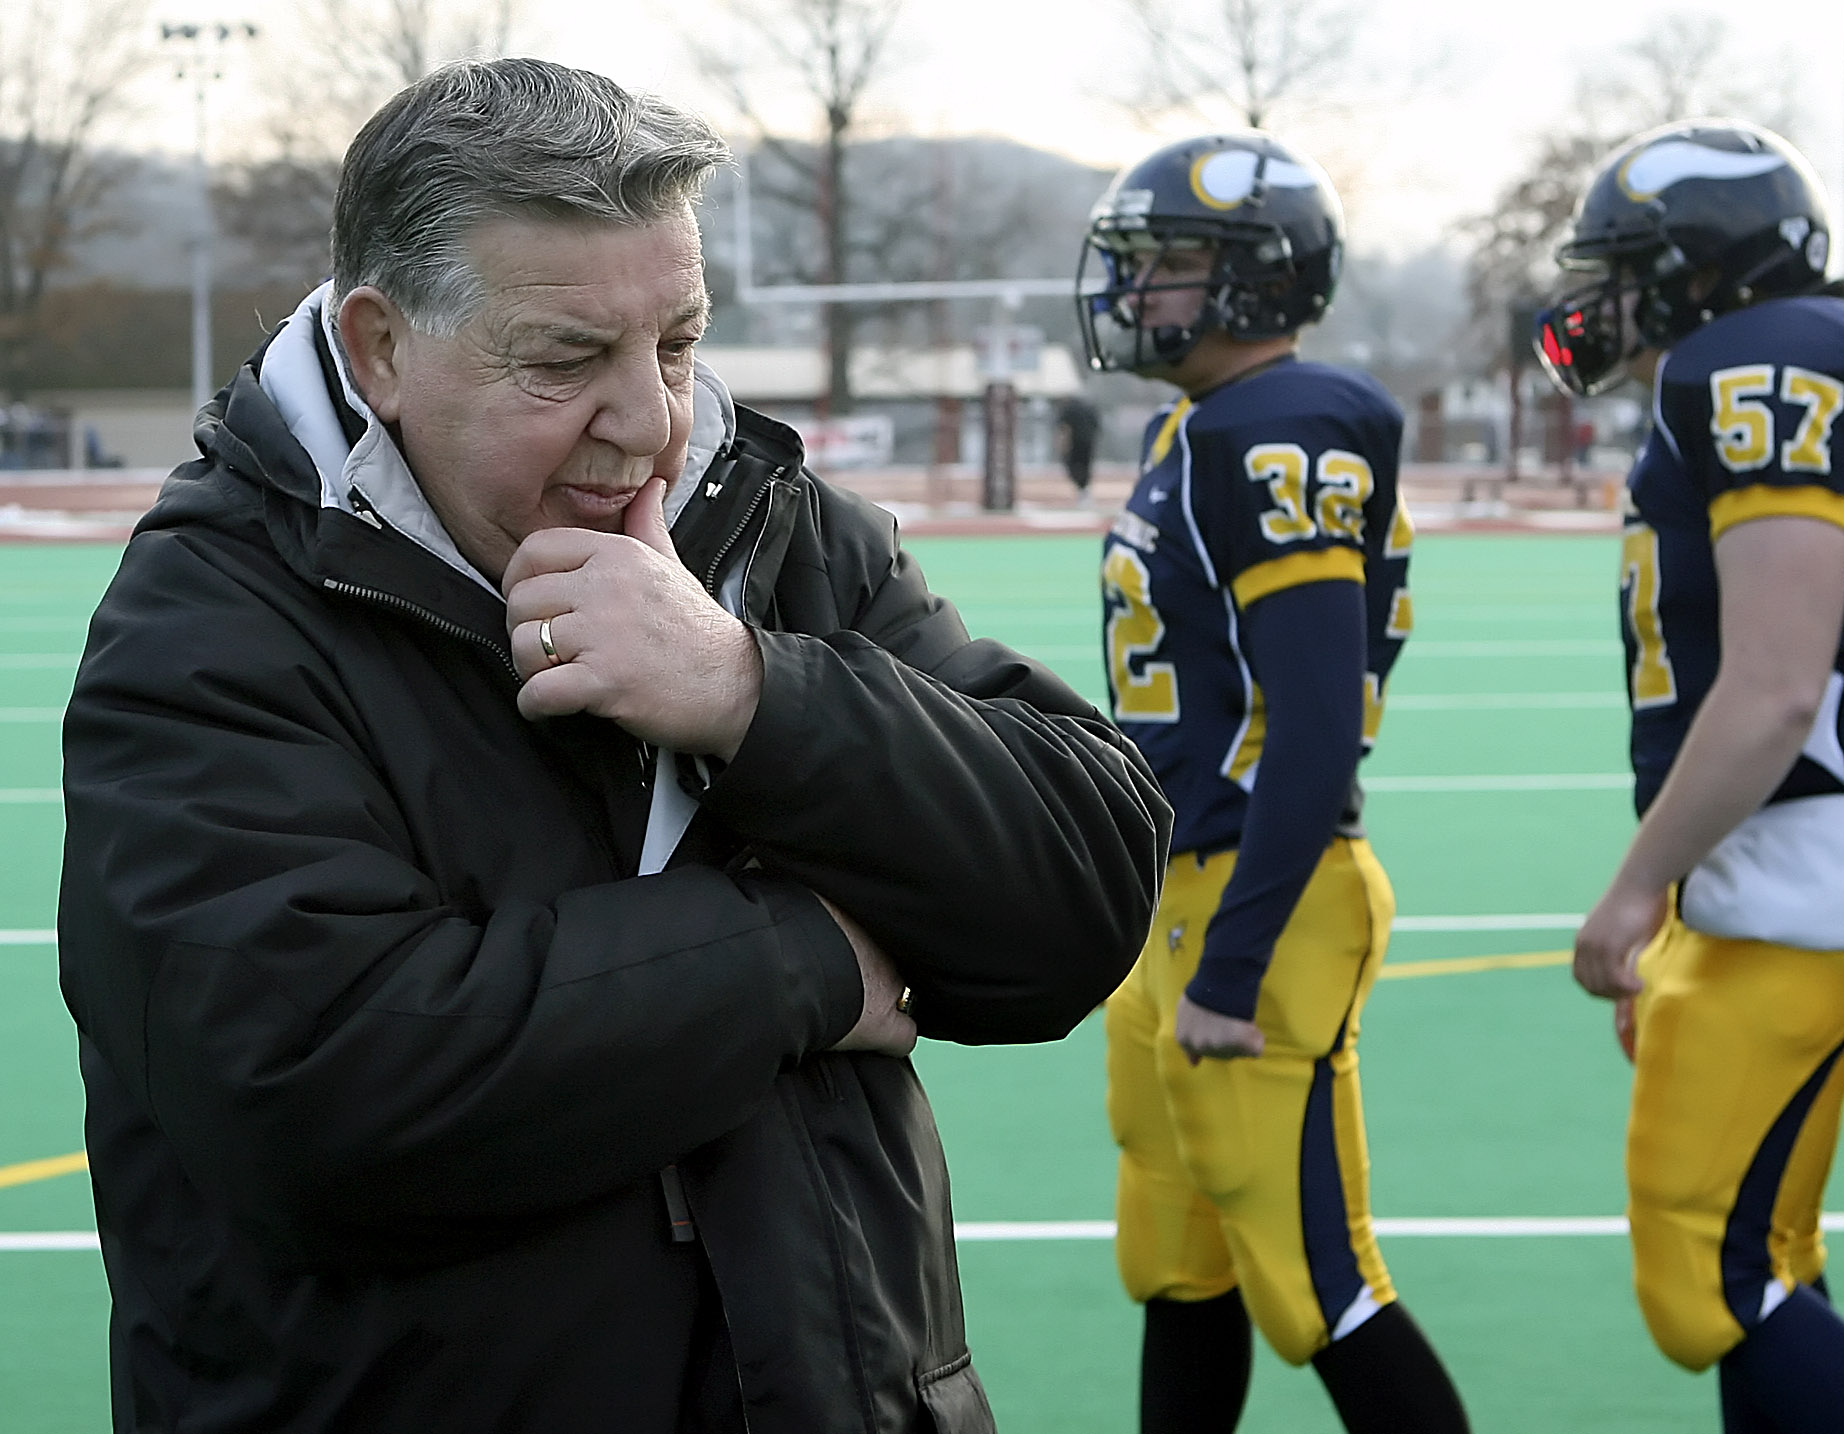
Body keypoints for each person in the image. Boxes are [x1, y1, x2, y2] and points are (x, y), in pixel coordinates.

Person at [58, 59, 1170, 1434]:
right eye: (565, 359)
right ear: (381, 348)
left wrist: (752, 690)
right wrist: (803, 959)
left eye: (679, 342)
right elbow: (319, 1093)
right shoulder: (208, 623)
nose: (649, 420)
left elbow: (1088, 880)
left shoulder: (770, 527)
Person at [1538, 119, 1844, 1433]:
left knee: (1707, 1277)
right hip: (1808, 860)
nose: (1600, 301)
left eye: (1627, 269)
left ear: (1706, 268)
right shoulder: (1781, 354)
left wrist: (1638, 888)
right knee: (1767, 1246)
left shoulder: (1766, 356)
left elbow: (1774, 685)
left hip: (1812, 868)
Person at [1076, 132, 1471, 1434]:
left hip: (1261, 895)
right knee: (1176, 1262)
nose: (1138, 288)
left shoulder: (1278, 427)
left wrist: (1235, 964)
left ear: (1257, 276)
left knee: (1317, 1286)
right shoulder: (1199, 426)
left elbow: (1312, 724)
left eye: (1170, 262)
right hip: (1179, 896)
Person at [1056, 393, 1101, 505]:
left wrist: (1063, 444)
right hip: (1088, 442)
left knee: (1072, 466)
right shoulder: (1090, 408)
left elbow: (1064, 428)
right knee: (1086, 466)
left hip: (1075, 443)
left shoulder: (1068, 409)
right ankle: (1084, 489)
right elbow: (1097, 426)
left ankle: (1081, 488)